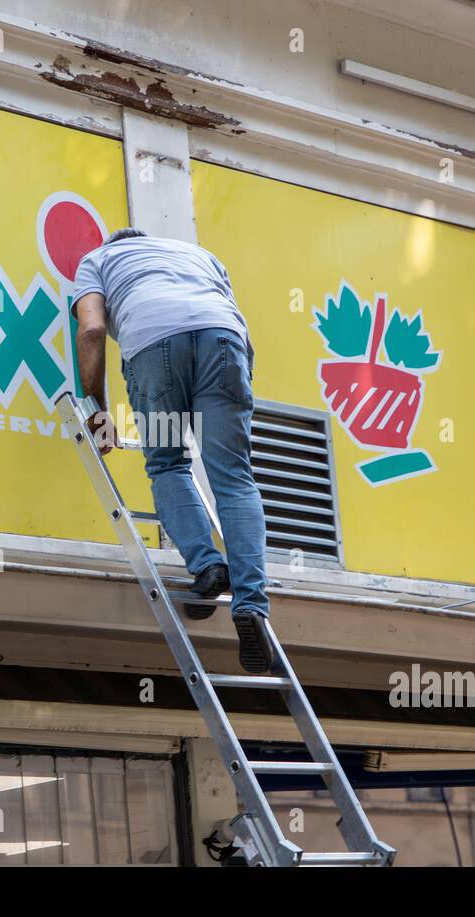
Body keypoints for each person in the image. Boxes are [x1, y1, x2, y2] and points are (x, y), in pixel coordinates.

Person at [70, 227, 273, 673]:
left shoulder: (98, 261)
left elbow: (91, 331)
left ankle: (207, 567)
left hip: (155, 352)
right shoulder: (199, 255)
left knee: (168, 464)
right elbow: (241, 326)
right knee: (235, 478)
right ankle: (251, 605)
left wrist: (99, 415)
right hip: (225, 345)